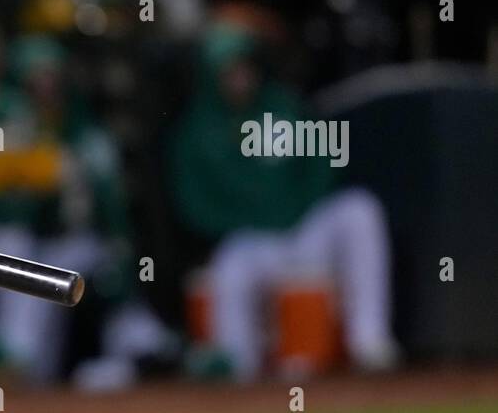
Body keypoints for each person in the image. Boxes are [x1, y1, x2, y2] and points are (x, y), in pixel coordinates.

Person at [169, 23, 398, 380]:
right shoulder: (195, 130)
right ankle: (237, 363)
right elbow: (193, 206)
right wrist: (251, 218)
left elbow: (325, 161)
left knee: (359, 210)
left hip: (306, 227)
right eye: (228, 72)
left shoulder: (284, 106)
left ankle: (369, 340)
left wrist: (298, 206)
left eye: (244, 68)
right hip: (254, 240)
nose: (239, 79)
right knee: (229, 269)